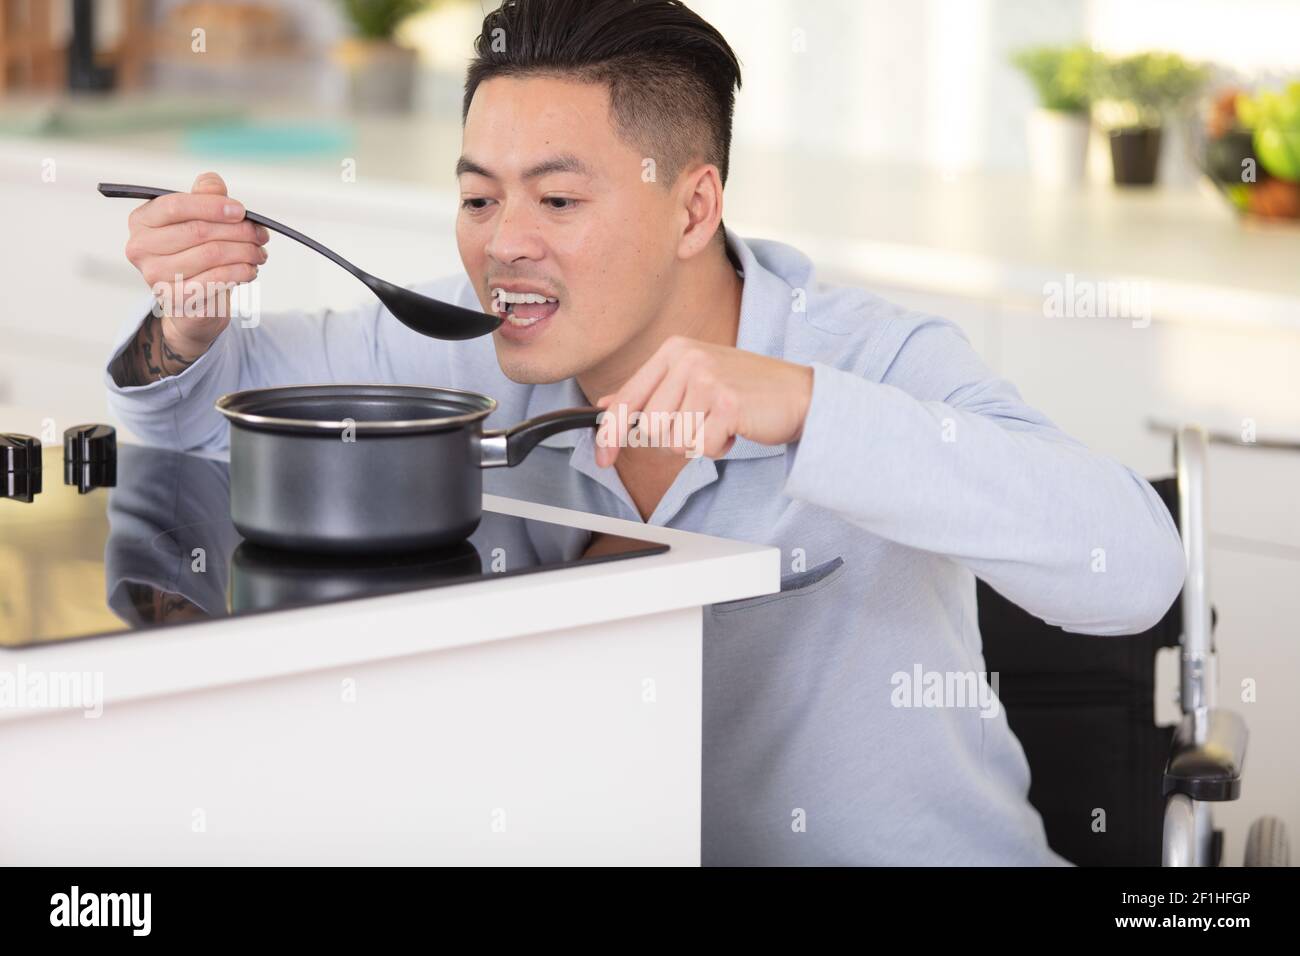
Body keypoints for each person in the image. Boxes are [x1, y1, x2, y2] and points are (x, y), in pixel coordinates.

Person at [104, 0, 1185, 865]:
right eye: (480, 201)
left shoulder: (872, 358)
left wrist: (807, 406)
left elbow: (1132, 570)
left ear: (692, 207)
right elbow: (198, 414)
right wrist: (186, 319)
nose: (504, 245)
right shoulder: (475, 345)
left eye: (558, 202)